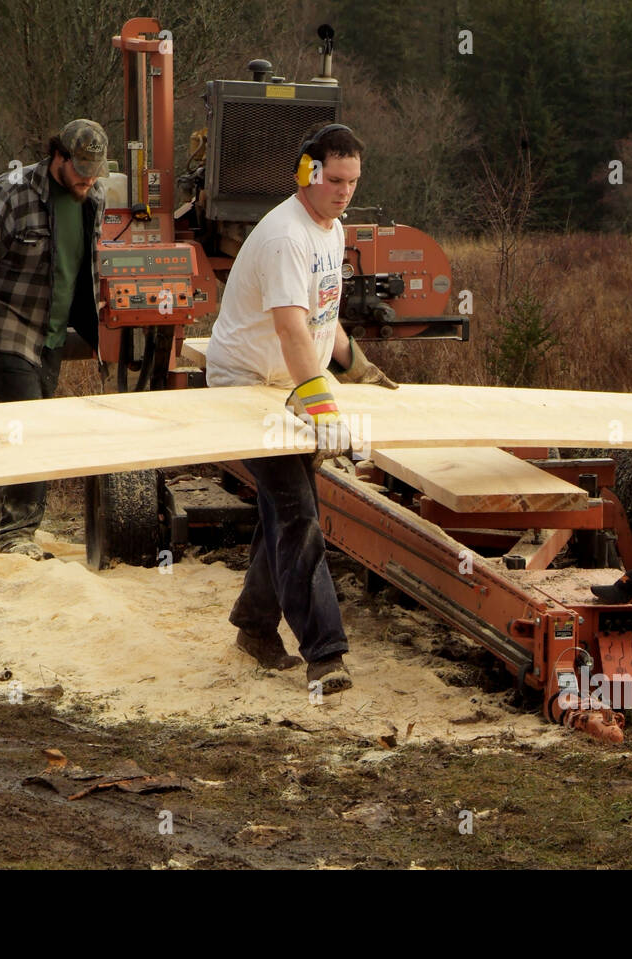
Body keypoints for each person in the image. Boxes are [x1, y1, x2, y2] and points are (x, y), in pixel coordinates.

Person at [206, 123, 398, 695]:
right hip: (247, 387)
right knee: (299, 514)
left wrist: (356, 364)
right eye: (335, 180)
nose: (344, 192)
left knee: (284, 508)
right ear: (307, 174)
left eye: (353, 181)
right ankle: (325, 655)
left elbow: (320, 317)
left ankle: (254, 624)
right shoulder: (286, 236)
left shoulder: (332, 230)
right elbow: (291, 332)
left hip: (291, 385)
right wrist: (324, 412)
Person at [0, 119, 109, 559]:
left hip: (51, 332)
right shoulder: (11, 193)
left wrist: (99, 331)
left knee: (26, 428)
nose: (87, 180)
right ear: (58, 157)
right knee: (31, 427)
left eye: (94, 172)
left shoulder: (94, 197)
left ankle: (3, 520)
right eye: (80, 170)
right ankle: (16, 535)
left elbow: (87, 268)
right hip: (7, 324)